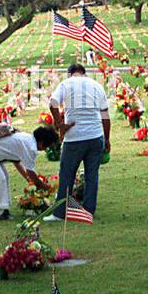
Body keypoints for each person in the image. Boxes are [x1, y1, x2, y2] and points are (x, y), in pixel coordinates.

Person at [49, 63, 110, 218]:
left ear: (69, 74)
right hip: (96, 135)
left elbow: (53, 103)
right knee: (92, 176)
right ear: (84, 73)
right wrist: (107, 139)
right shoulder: (97, 85)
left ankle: (60, 213)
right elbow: (105, 115)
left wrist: (60, 124)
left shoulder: (66, 84)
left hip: (74, 137)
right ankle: (88, 211)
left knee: (67, 175)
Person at [0, 126, 57, 221]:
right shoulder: (30, 147)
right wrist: (44, 186)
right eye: (46, 146)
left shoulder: (28, 139)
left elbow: (16, 161)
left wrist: (28, 179)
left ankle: (4, 209)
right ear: (41, 143)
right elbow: (30, 172)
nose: (45, 149)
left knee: (4, 177)